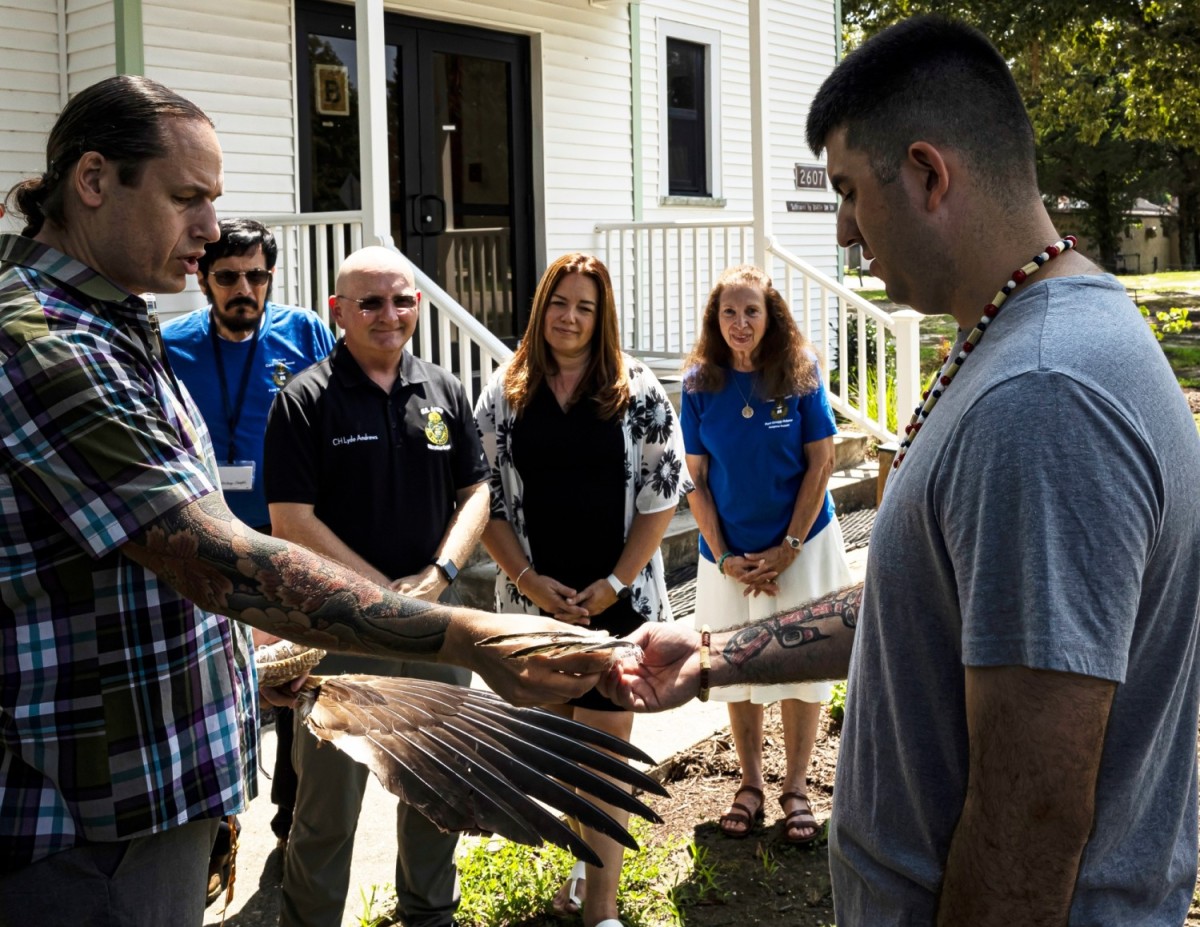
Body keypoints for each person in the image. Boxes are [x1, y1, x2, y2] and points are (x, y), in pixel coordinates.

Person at [600, 15, 1200, 926]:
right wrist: (716, 654)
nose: (841, 230)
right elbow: (930, 606)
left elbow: (1031, 815)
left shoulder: (1042, 396)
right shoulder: (1024, 344)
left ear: (927, 174)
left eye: (847, 191)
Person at [0, 74, 607, 927]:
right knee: (324, 822)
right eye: (188, 198)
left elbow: (112, 579)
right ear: (93, 181)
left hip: (153, 793)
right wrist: (467, 628)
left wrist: (242, 666)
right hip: (91, 823)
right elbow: (217, 555)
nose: (211, 232)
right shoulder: (46, 341)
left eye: (214, 201)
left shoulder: (114, 323)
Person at [264, 245, 490, 927]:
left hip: (435, 626)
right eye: (370, 302)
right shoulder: (305, 399)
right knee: (327, 810)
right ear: (339, 312)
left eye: (401, 299)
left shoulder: (444, 390)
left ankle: (429, 916)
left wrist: (441, 572)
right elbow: (290, 520)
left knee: (436, 791)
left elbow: (477, 490)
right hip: (341, 634)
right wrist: (378, 593)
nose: (389, 314)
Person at [474, 252, 687, 927]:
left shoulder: (638, 389)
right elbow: (483, 501)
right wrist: (527, 579)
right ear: (542, 309)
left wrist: (616, 581)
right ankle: (583, 863)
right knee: (559, 755)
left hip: (615, 603)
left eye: (585, 306)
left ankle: (601, 911)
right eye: (559, 302)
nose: (570, 316)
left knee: (603, 756)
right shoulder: (504, 394)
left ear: (603, 317)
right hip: (536, 606)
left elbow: (662, 493)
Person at [163, 217, 336, 868]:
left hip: (287, 537)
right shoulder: (169, 343)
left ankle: (290, 821)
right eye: (229, 276)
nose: (245, 289)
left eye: (256, 275)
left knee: (297, 681)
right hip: (204, 544)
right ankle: (213, 830)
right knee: (211, 687)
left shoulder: (305, 334)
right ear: (204, 277)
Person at [680, 264, 850, 844]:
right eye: (729, 312)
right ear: (715, 319)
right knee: (735, 667)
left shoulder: (800, 372)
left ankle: (797, 788)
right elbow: (696, 480)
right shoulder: (701, 382)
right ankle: (749, 784)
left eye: (751, 311)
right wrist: (727, 558)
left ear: (770, 315)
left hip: (803, 546)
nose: (740, 323)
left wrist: (789, 549)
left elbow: (821, 463)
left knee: (804, 662)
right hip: (727, 554)